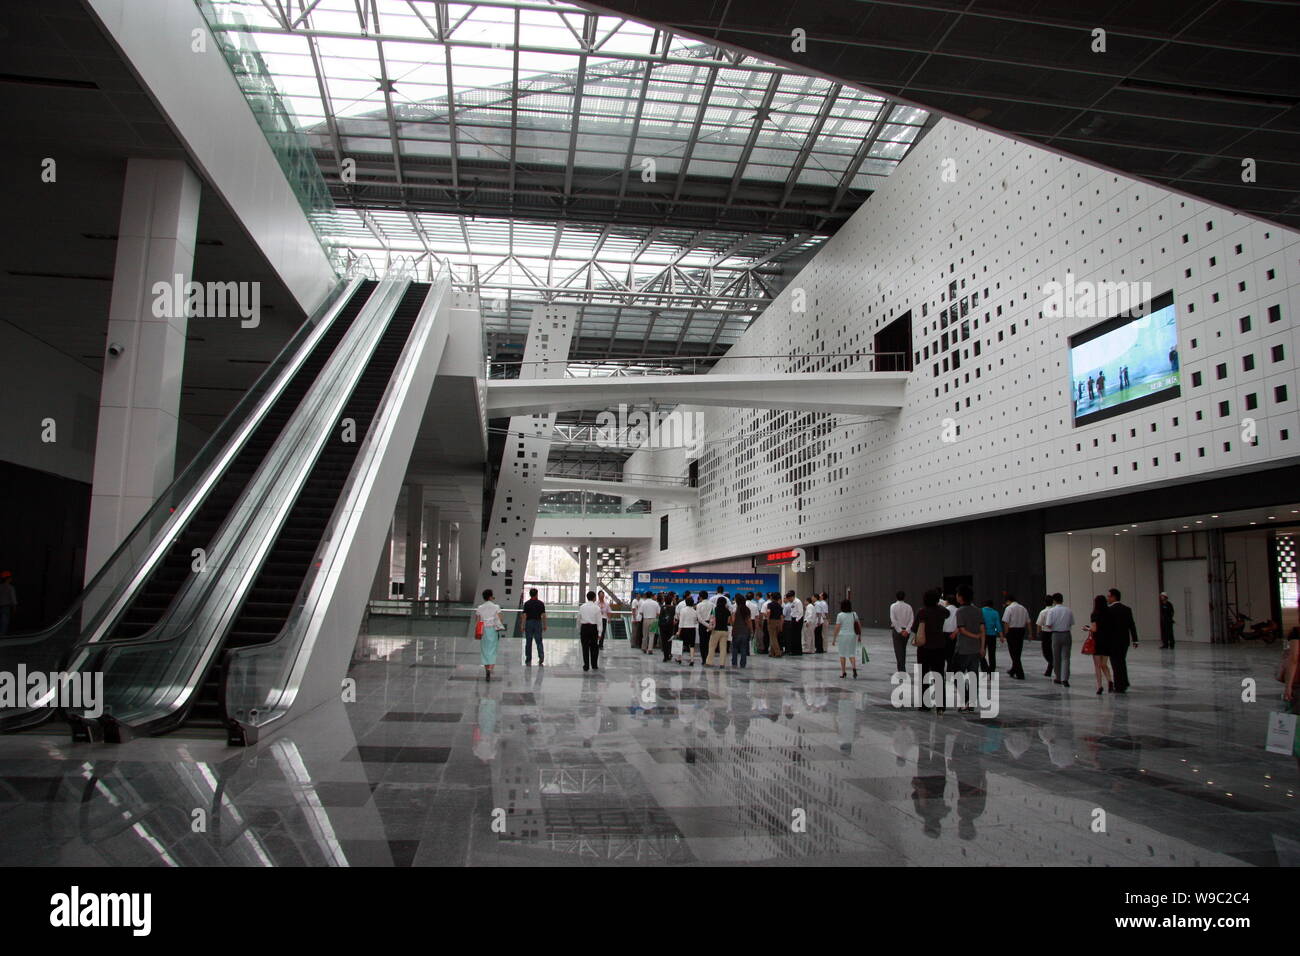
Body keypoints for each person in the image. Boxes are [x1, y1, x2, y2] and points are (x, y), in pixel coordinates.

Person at [914, 589, 950, 713]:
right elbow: (947, 613)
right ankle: (940, 705)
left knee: (924, 675)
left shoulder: (922, 612)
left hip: (924, 648)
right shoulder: (942, 611)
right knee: (939, 675)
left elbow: (914, 628)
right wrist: (939, 604)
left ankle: (925, 704)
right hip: (939, 646)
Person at [952, 586, 985, 713]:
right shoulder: (978, 610)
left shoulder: (960, 611)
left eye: (957, 594)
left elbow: (962, 629)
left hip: (963, 648)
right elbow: (983, 630)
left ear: (961, 597)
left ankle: (966, 699)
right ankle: (971, 703)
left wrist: (974, 636)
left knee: (956, 675)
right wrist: (982, 647)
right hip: (976, 649)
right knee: (973, 676)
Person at [1106, 588, 1139, 693]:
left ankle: (1119, 685)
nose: (1108, 598)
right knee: (1122, 661)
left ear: (1114, 597)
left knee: (1115, 663)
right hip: (1124, 641)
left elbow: (1106, 627)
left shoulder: (1109, 610)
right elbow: (1132, 625)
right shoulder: (1127, 609)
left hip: (1113, 641)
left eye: (1109, 596)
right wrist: (1135, 639)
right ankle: (1124, 682)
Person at [1045, 593, 1075, 687]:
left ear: (1054, 600)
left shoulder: (1051, 611)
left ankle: (1058, 677)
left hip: (1056, 634)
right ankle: (1065, 678)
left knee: (1056, 657)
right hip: (1066, 634)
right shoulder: (1068, 610)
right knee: (1066, 657)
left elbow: (1048, 624)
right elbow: (1071, 623)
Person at [1086, 594, 1114, 695]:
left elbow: (1094, 629)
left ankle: (1099, 686)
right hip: (1107, 641)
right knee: (1104, 664)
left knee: (1097, 665)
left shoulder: (1094, 614)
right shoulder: (1110, 612)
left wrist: (1087, 628)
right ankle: (1110, 681)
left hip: (1097, 641)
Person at [476, 589, 505, 681]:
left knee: (484, 649)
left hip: (483, 630)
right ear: (490, 596)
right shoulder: (496, 607)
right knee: (493, 649)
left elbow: (477, 620)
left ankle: (486, 669)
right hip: (493, 630)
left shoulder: (480, 607)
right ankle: (490, 668)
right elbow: (500, 619)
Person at [1001, 594, 1029, 680]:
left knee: (1013, 653)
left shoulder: (1009, 608)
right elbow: (1028, 621)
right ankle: (1013, 670)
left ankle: (1020, 673)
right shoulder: (1023, 608)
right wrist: (1030, 633)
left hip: (1012, 631)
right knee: (1018, 651)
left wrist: (1006, 633)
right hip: (1021, 631)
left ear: (1008, 601)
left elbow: (1006, 622)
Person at [833, 598, 861, 679]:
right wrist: (859, 636)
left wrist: (834, 639)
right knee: (852, 653)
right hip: (853, 636)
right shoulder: (854, 614)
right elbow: (858, 625)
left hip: (843, 636)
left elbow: (837, 627)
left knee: (842, 654)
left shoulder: (840, 615)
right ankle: (854, 668)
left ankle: (843, 672)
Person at [889, 590, 914, 674]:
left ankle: (902, 670)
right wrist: (907, 630)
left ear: (896, 597)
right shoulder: (909, 607)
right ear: (904, 597)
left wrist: (900, 630)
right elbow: (911, 619)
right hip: (906, 631)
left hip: (897, 631)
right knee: (903, 650)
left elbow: (893, 619)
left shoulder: (893, 606)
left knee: (898, 651)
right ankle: (902, 669)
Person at [578, 590, 602, 671]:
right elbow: (599, 621)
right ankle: (594, 665)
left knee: (585, 647)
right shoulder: (597, 608)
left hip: (584, 628)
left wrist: (579, 629)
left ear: (587, 597)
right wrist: (600, 632)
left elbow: (579, 619)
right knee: (594, 647)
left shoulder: (582, 607)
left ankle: (586, 665)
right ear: (594, 598)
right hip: (593, 628)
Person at [522, 588, 547, 666]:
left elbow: (524, 615)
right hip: (537, 623)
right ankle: (541, 656)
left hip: (529, 623)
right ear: (536, 594)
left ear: (530, 594)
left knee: (528, 641)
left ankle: (528, 658)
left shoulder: (526, 604)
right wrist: (545, 625)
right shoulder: (541, 603)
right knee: (539, 641)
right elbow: (543, 615)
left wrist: (522, 625)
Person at [706, 596, 731, 667]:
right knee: (723, 648)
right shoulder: (727, 611)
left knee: (712, 647)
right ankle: (722, 664)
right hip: (725, 631)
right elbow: (728, 621)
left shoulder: (714, 610)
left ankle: (709, 662)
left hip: (716, 630)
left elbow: (711, 619)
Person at [676, 594, 699, 666]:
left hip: (684, 629)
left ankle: (679, 658)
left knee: (681, 644)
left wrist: (679, 631)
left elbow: (681, 621)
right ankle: (692, 660)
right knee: (691, 645)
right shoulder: (694, 611)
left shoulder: (683, 610)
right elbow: (696, 621)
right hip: (692, 629)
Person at [980, 600, 1002, 674]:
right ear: (992, 605)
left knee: (981, 651)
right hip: (992, 635)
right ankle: (992, 669)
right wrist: (1001, 636)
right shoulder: (995, 612)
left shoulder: (980, 611)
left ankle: (984, 667)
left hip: (982, 635)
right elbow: (998, 624)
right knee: (992, 653)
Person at [1035, 595, 1054, 677]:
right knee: (1053, 651)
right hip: (1054, 632)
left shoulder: (1043, 612)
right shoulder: (1055, 611)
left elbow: (1039, 624)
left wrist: (1038, 633)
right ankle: (1050, 668)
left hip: (1046, 633)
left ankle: (1052, 665)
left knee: (1046, 652)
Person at [730, 599, 752, 668]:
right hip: (745, 632)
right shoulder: (747, 610)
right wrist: (751, 630)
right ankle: (743, 664)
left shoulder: (735, 610)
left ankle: (734, 663)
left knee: (735, 648)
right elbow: (749, 621)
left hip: (736, 631)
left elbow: (732, 622)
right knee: (743, 648)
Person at [783, 591, 804, 656]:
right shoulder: (792, 602)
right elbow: (792, 612)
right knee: (793, 636)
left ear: (792, 597)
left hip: (798, 620)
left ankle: (798, 651)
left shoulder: (798, 602)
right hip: (793, 619)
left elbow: (801, 612)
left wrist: (797, 620)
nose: (788, 600)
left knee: (797, 636)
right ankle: (793, 650)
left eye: (789, 598)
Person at [660, 593, 678, 662]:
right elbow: (676, 617)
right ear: (671, 601)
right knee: (669, 640)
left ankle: (665, 656)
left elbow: (660, 617)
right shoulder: (673, 608)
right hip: (670, 626)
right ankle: (669, 653)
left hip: (662, 626)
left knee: (664, 641)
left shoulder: (662, 607)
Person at [766, 593, 784, 657]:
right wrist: (781, 625)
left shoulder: (770, 605)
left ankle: (777, 652)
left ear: (772, 598)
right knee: (774, 637)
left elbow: (768, 613)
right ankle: (771, 652)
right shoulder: (780, 606)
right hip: (778, 621)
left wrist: (768, 620)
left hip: (772, 621)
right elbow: (782, 616)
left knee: (773, 638)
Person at [0, 571, 15, 636]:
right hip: (6, 607)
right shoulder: (10, 587)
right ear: (8, 578)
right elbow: (13, 598)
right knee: (4, 622)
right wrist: (14, 607)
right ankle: (2, 636)